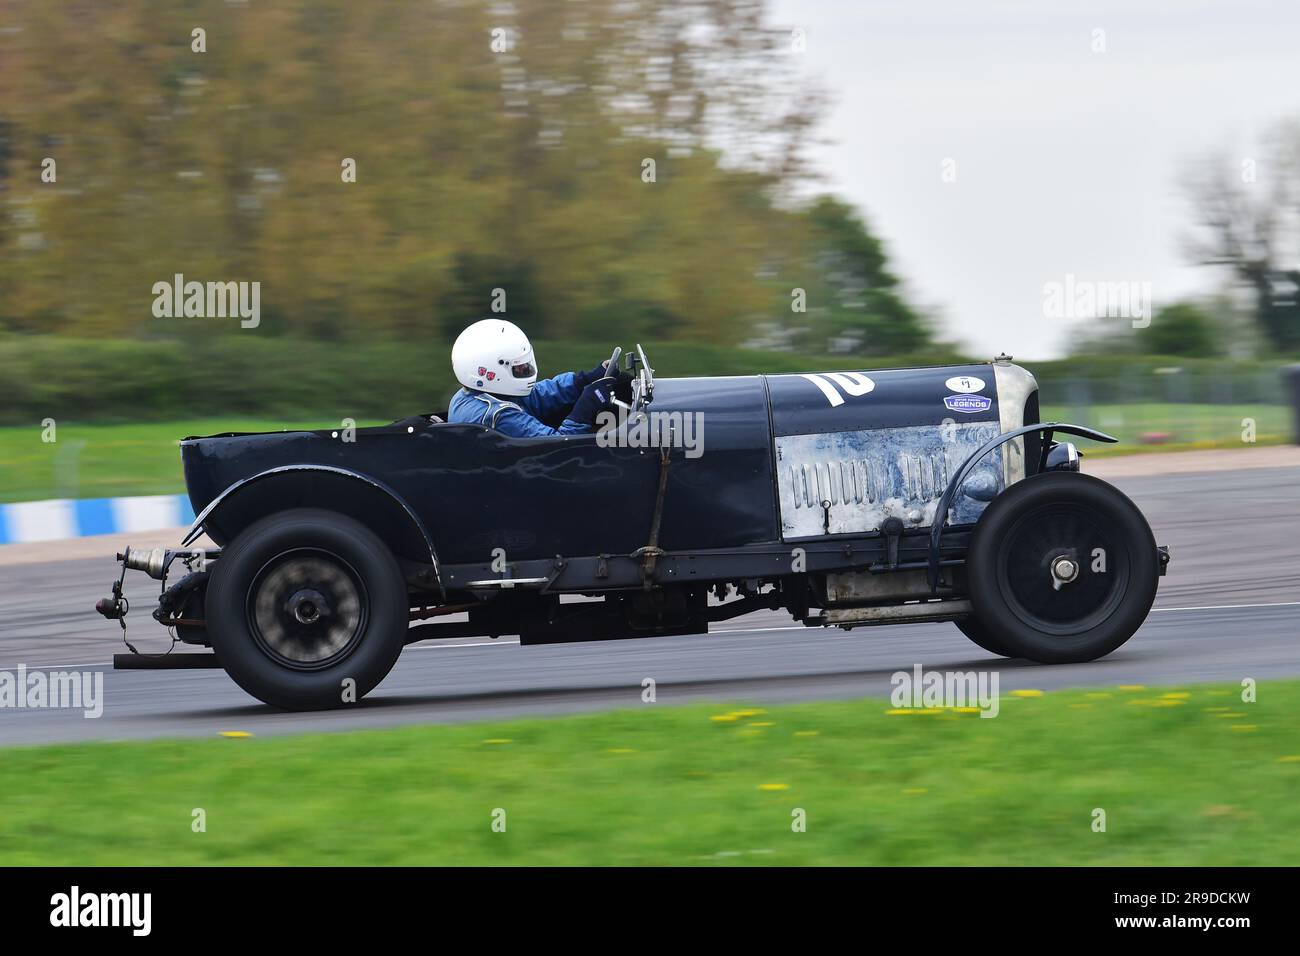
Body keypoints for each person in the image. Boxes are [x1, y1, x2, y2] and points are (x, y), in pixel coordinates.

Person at [447, 319, 627, 437]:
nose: (526, 369)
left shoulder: (474, 395)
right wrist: (586, 406)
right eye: (519, 367)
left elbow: (537, 396)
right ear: (487, 371)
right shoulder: (499, 416)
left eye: (526, 364)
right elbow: (559, 444)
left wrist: (583, 380)